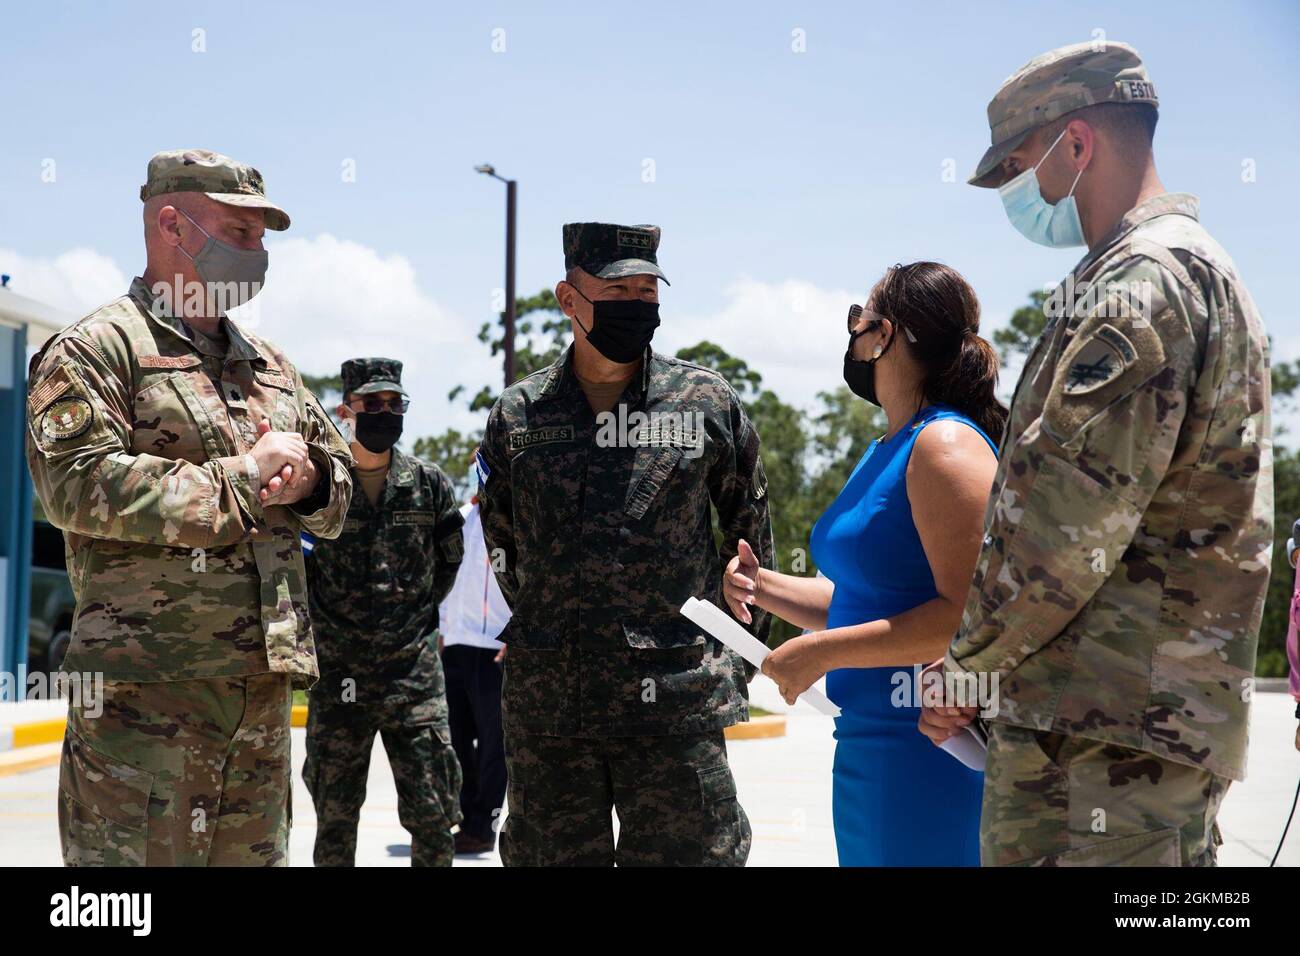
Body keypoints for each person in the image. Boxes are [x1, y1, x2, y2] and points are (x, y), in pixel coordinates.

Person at [920, 41, 1273, 867]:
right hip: (1121, 734)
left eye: (1019, 163)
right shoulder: (1167, 272)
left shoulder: (1140, 285)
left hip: (1099, 743)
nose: (1020, 189)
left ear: (1076, 145)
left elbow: (1070, 525)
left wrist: (966, 666)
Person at [25, 148, 353, 866]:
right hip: (144, 703)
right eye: (239, 233)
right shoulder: (96, 350)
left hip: (258, 700)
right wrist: (242, 479)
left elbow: (342, 487)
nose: (258, 253)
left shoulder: (270, 365)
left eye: (262, 239)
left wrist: (311, 482)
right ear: (171, 225)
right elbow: (76, 485)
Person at [477, 222, 775, 866]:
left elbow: (752, 545)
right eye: (617, 289)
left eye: (648, 290)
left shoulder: (703, 403)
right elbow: (502, 542)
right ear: (568, 299)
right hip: (551, 713)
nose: (637, 304)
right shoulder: (519, 415)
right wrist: (552, 625)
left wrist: (731, 665)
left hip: (675, 709)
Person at [725, 262, 1002, 866]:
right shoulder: (889, 445)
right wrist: (761, 585)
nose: (851, 336)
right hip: (866, 748)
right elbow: (864, 601)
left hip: (931, 750)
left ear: (886, 334)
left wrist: (822, 653)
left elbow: (965, 616)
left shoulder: (944, 445)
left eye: (859, 318)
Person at [303, 358, 465, 866]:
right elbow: (300, 574)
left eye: (395, 403)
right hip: (338, 677)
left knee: (434, 815)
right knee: (334, 816)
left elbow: (449, 563)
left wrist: (410, 621)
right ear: (345, 411)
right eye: (372, 403)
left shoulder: (429, 485)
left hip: (413, 679)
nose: (385, 412)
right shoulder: (320, 487)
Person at [438, 456, 511, 855]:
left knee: (495, 743)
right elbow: (449, 579)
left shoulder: (519, 522)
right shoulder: (462, 519)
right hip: (457, 645)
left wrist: (515, 636)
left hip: (496, 649)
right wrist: (442, 631)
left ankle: (485, 825)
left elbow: (532, 583)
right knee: (458, 741)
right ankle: (467, 821)